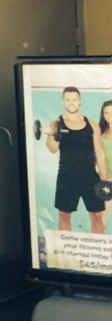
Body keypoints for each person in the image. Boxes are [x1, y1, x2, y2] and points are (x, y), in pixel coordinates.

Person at [45, 86, 109, 233]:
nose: (71, 102)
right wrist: (51, 134)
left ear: (80, 101)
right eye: (68, 99)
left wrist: (104, 180)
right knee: (64, 215)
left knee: (97, 216)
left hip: (90, 177)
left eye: (74, 99)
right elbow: (53, 149)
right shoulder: (56, 124)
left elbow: (100, 153)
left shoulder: (92, 125)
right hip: (66, 177)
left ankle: (95, 251)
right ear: (63, 102)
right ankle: (67, 252)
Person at [96, 100, 112, 231]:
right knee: (102, 216)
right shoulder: (99, 134)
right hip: (105, 180)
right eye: (106, 112)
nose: (109, 116)